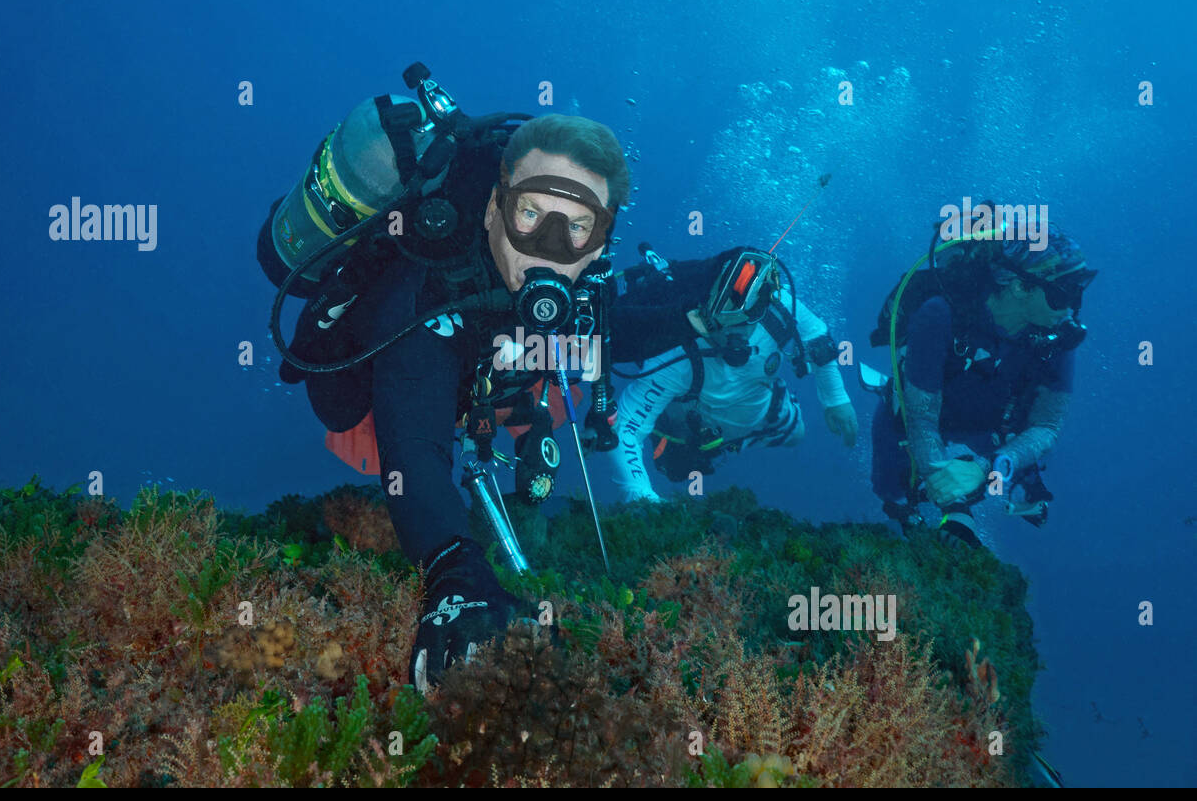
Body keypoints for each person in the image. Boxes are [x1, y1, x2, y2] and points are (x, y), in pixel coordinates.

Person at [257, 81, 702, 692]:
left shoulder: (582, 286)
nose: (549, 247)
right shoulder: (426, 284)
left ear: (604, 241)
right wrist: (454, 575)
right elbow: (413, 452)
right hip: (391, 373)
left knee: (551, 364)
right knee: (344, 412)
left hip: (485, 368)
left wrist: (705, 302)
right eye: (530, 213)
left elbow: (621, 332)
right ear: (495, 206)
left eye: (576, 227)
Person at [869, 226, 1097, 548]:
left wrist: (990, 467)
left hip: (992, 429)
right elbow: (920, 418)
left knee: (1005, 464)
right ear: (1019, 286)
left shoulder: (1058, 337)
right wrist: (956, 510)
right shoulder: (939, 314)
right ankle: (905, 512)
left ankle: (1010, 477)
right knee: (891, 490)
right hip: (921, 415)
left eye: (1079, 292)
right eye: (1062, 293)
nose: (1071, 308)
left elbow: (1047, 425)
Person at [607, 247, 858, 502]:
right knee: (676, 470)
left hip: (766, 415)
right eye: (719, 325)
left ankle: (771, 409)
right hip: (696, 428)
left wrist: (835, 398)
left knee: (797, 434)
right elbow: (627, 427)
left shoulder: (781, 304)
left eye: (743, 324)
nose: (733, 338)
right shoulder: (673, 355)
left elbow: (818, 339)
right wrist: (639, 493)